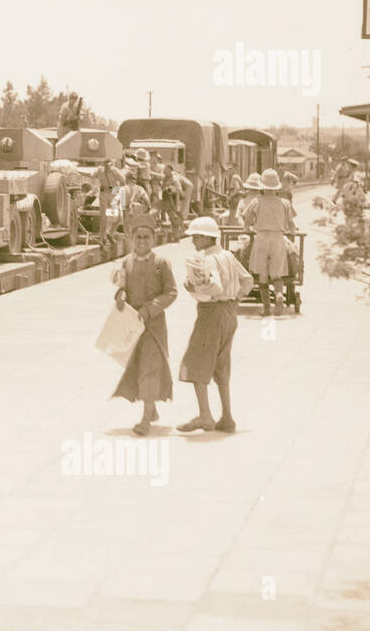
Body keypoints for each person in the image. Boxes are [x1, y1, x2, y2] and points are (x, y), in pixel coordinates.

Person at [177, 216, 253, 433]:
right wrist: (236, 297)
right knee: (222, 365)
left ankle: (205, 416)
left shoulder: (207, 260)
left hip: (212, 312)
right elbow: (248, 281)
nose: (193, 241)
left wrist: (193, 287)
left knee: (196, 361)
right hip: (230, 313)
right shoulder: (228, 255)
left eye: (196, 237)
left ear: (206, 238)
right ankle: (227, 417)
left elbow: (214, 288)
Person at [110, 222, 177, 436]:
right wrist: (120, 295)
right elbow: (122, 287)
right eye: (138, 237)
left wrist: (150, 309)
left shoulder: (161, 263)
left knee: (150, 368)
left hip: (154, 326)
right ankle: (152, 408)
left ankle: (145, 420)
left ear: (153, 239)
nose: (142, 241)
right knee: (139, 367)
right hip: (132, 326)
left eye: (146, 237)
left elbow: (171, 292)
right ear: (132, 239)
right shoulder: (126, 262)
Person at [242, 168, 294, 316]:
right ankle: (278, 295)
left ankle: (266, 308)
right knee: (276, 275)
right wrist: (292, 234)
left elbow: (247, 220)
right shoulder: (284, 203)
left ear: (262, 186)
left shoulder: (256, 201)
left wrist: (247, 228)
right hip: (278, 238)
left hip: (262, 238)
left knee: (263, 275)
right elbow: (291, 224)